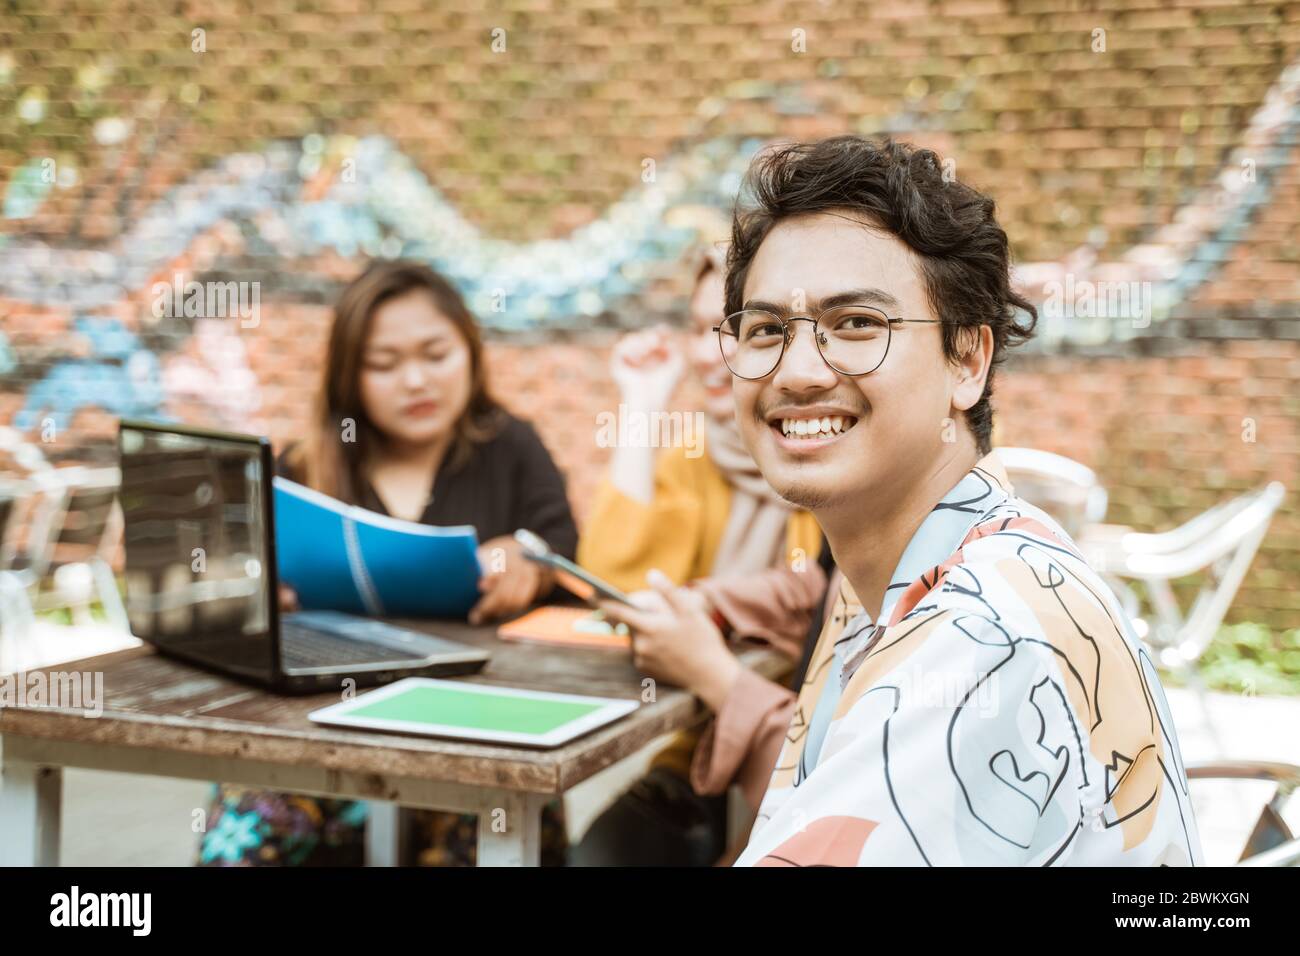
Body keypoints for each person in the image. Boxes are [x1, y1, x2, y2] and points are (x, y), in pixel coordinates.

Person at [602, 135, 1203, 866]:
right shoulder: (909, 577)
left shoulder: (977, 638)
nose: (796, 371)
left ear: (968, 360)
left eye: (856, 323)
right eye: (765, 330)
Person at [198, 259, 577, 866]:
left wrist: (528, 561)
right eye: (384, 364)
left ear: (471, 354)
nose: (416, 381)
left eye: (436, 354)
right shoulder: (304, 470)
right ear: (350, 377)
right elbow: (231, 579)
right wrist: (263, 593)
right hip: (323, 733)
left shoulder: (510, 445)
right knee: (241, 845)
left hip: (479, 733)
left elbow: (560, 548)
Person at [569, 246, 828, 865]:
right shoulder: (696, 453)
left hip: (805, 761)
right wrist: (641, 407)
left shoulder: (843, 460)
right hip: (700, 754)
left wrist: (709, 618)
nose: (707, 352)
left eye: (739, 328)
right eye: (697, 328)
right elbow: (616, 593)